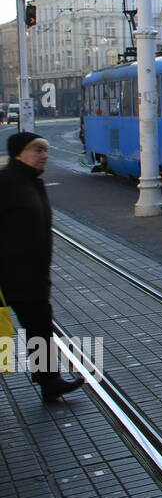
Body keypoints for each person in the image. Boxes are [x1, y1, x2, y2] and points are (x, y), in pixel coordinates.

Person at [0, 133, 85, 403]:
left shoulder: (33, 182)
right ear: (19, 153)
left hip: (32, 276)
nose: (44, 155)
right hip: (6, 275)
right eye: (37, 150)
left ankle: (50, 381)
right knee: (6, 334)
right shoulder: (6, 182)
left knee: (40, 328)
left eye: (45, 151)